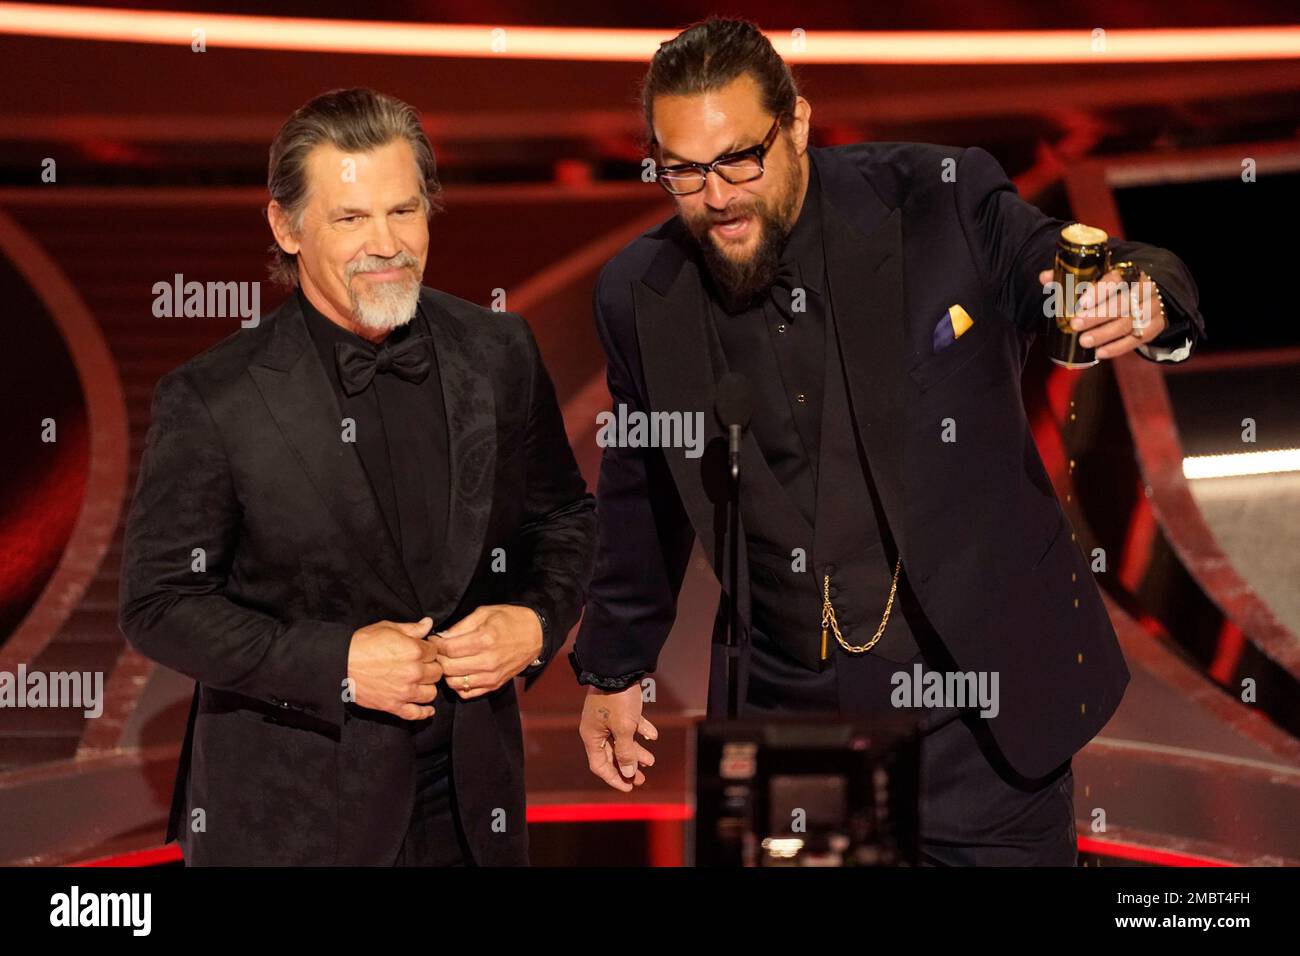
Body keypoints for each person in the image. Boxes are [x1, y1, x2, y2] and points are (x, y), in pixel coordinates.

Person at [571, 18, 1203, 865]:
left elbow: (1050, 259)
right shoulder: (640, 293)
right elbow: (643, 495)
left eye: (738, 160)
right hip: (790, 710)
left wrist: (1141, 292)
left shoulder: (936, 197)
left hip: (978, 716)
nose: (716, 195)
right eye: (683, 170)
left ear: (796, 123)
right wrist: (613, 668)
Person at [119, 87, 596, 865]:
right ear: (286, 225)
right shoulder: (213, 399)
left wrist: (535, 622)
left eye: (403, 211)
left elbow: (564, 520)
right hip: (289, 820)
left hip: (473, 810)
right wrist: (335, 663)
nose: (387, 244)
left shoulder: (498, 350)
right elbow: (159, 603)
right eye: (350, 219)